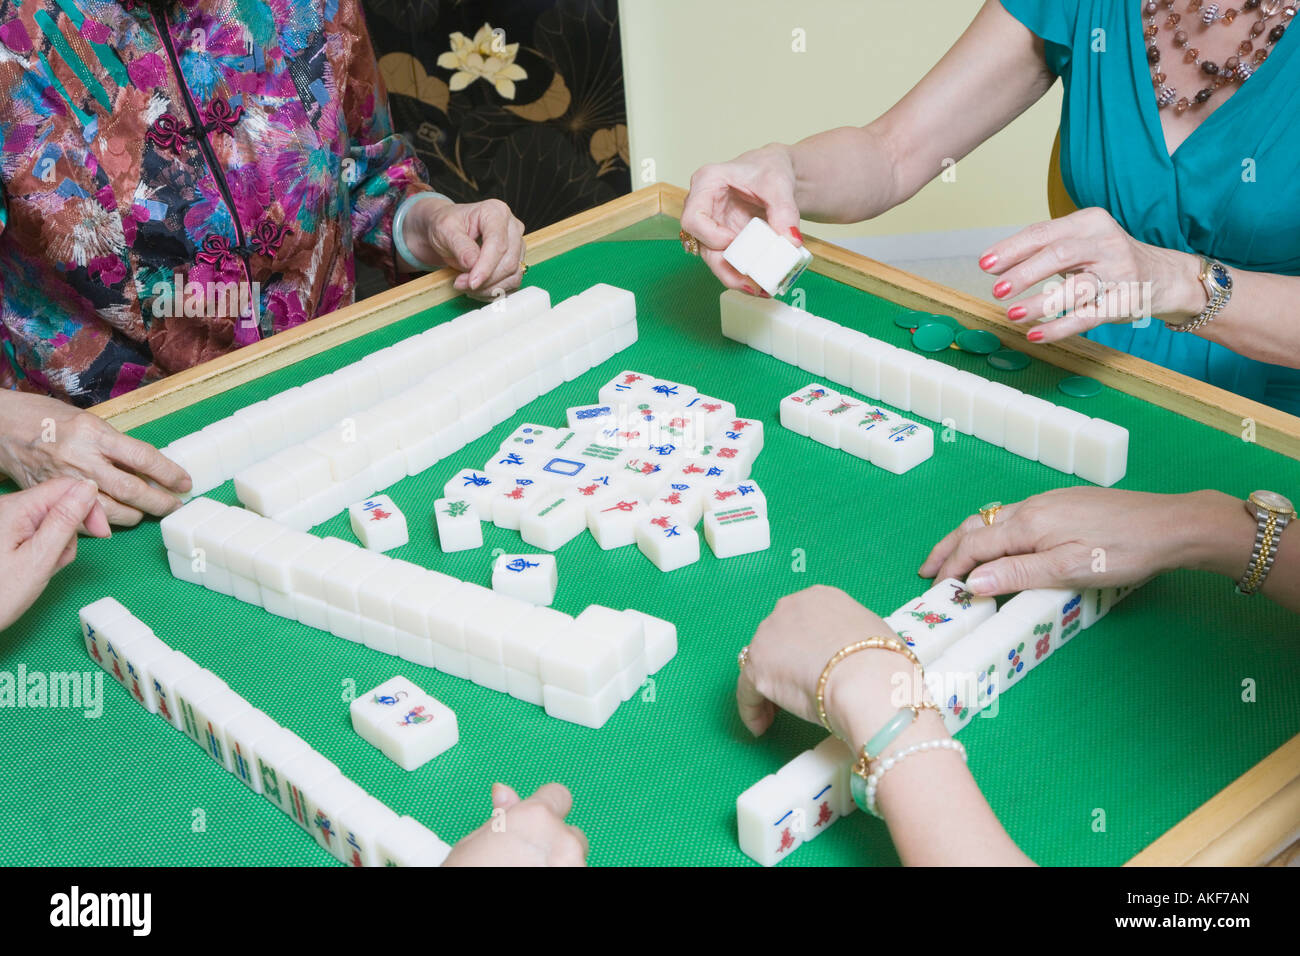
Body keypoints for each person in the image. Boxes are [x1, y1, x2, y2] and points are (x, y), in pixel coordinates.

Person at [0, 0, 526, 526]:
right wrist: (16, 433)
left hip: (337, 422)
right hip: (119, 479)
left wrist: (432, 221)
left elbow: (361, 175)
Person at [681, 0, 1300, 414]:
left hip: (1271, 412)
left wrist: (1177, 282)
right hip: (1086, 367)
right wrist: (785, 171)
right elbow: (892, 151)